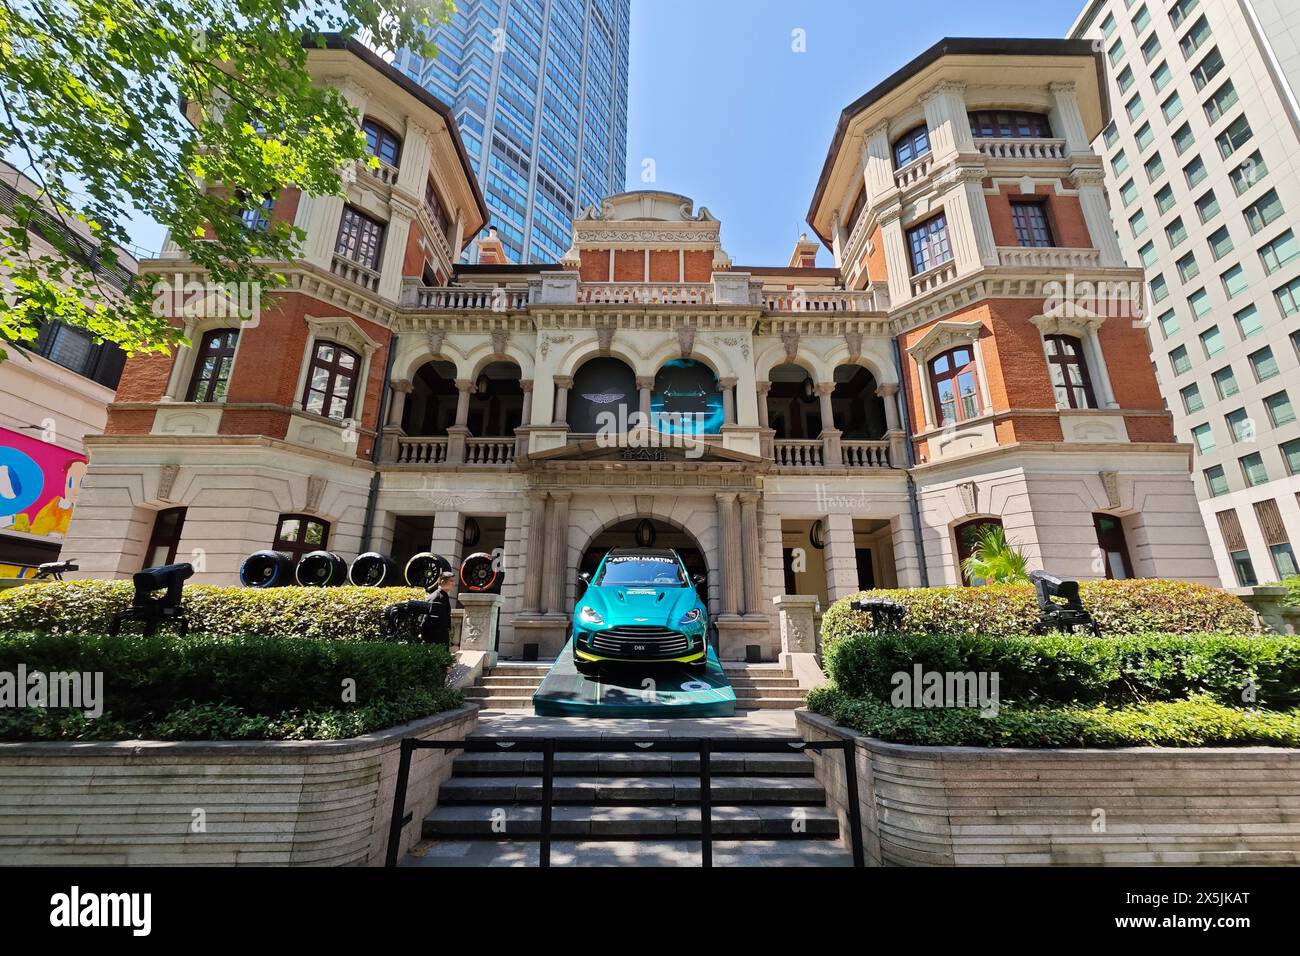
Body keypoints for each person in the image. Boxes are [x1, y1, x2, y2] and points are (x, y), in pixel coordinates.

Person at [424, 570, 456, 645]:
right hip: (436, 640)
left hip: (440, 638)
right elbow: (431, 620)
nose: (453, 584)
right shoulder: (437, 596)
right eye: (451, 581)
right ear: (442, 581)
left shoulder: (443, 596)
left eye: (454, 581)